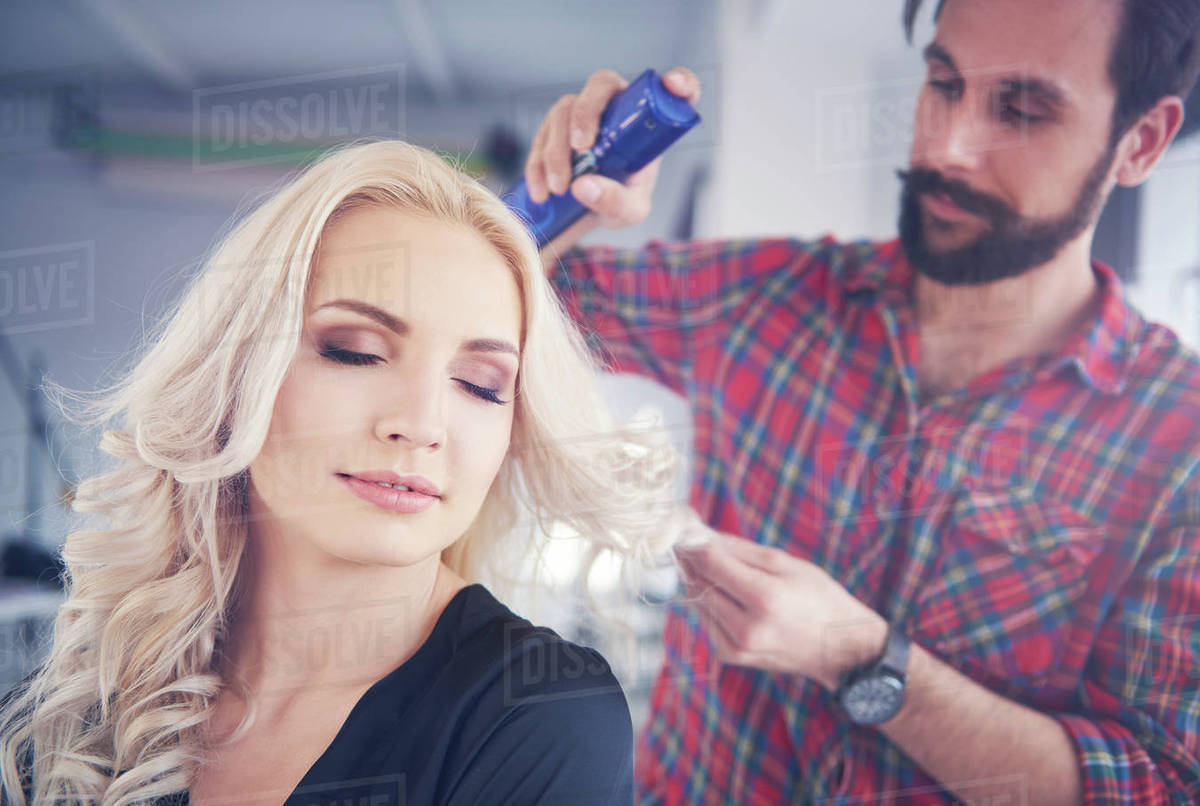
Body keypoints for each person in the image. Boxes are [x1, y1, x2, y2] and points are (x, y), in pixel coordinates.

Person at [526, 0, 1200, 802]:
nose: (948, 145)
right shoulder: (773, 298)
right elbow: (518, 297)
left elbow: (1159, 785)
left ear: (1142, 141)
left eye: (1020, 110)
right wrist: (575, 197)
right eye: (943, 83)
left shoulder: (1181, 449)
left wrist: (859, 657)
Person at [0, 139, 687, 804]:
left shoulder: (540, 716)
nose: (420, 423)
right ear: (236, 376)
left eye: (480, 384)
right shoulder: (69, 713)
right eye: (354, 351)